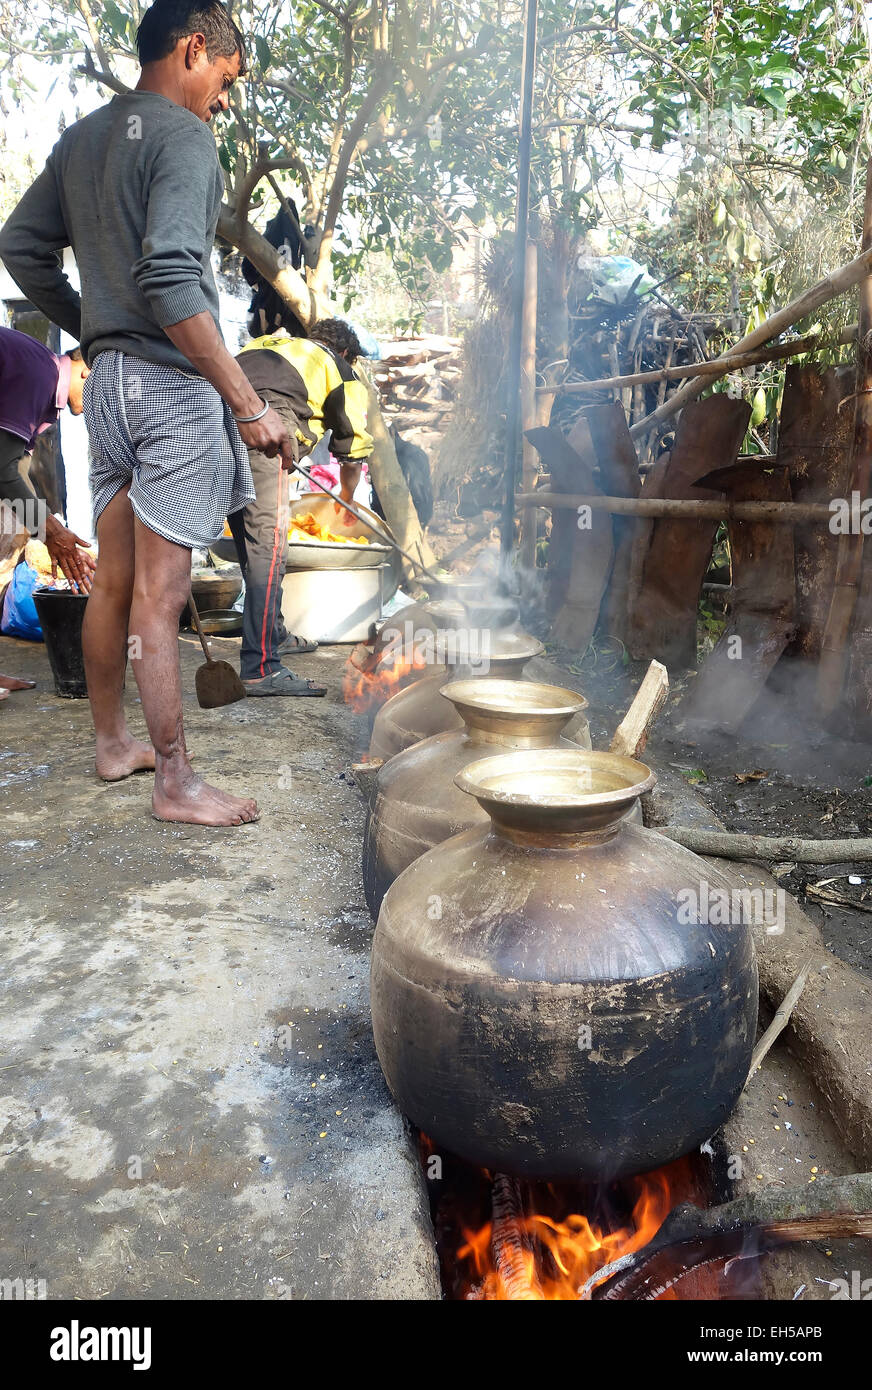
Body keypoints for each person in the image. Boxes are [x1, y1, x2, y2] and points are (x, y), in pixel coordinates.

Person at [0, 0, 294, 824]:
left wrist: (94, 323)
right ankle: (175, 780)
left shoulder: (84, 136)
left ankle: (111, 743)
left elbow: (19, 245)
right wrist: (245, 405)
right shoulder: (182, 134)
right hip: (166, 383)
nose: (225, 102)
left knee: (116, 583)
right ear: (194, 48)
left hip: (114, 385)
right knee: (160, 598)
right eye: (226, 80)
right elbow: (171, 276)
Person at [229, 317, 373, 696]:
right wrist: (345, 495)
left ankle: (273, 634)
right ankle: (261, 668)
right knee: (270, 546)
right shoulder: (342, 371)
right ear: (345, 353)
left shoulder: (266, 344)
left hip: (217, 424)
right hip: (268, 426)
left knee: (250, 543)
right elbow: (353, 451)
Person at [0, 324, 96, 694]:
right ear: (86, 369)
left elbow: (14, 472)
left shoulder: (43, 386)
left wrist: (40, 528)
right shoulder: (38, 372)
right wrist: (49, 529)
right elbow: (3, 469)